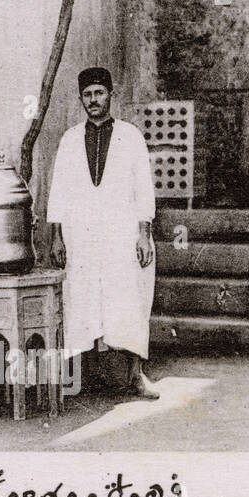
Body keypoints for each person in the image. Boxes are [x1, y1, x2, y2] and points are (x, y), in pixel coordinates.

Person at [47, 66, 159, 400]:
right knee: (80, 300)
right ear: (81, 98)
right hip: (80, 236)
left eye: (99, 93)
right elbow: (59, 192)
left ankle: (137, 375)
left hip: (121, 233)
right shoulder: (69, 140)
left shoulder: (131, 136)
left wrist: (143, 233)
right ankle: (76, 379)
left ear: (111, 95)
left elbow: (144, 188)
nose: (93, 100)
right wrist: (57, 236)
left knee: (130, 299)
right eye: (87, 94)